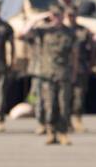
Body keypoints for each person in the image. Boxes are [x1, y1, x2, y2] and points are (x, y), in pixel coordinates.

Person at [23, 8, 78, 145]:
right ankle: (50, 132)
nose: (56, 18)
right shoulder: (43, 31)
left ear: (63, 16)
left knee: (64, 105)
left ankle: (63, 133)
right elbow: (24, 32)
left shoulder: (69, 32)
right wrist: (40, 16)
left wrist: (74, 73)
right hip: (46, 75)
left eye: (58, 15)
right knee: (48, 105)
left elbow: (74, 55)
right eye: (53, 15)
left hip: (63, 74)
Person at [63, 4, 94, 133]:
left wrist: (91, 64)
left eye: (73, 15)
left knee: (79, 95)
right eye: (69, 15)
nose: (71, 18)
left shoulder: (83, 31)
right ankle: (66, 122)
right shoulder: (60, 30)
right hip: (64, 69)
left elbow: (92, 49)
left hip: (81, 67)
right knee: (65, 96)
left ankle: (77, 120)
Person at [0, 0, 15, 133]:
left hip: (1, 64)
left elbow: (12, 46)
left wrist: (12, 62)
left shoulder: (6, 27)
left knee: (1, 92)